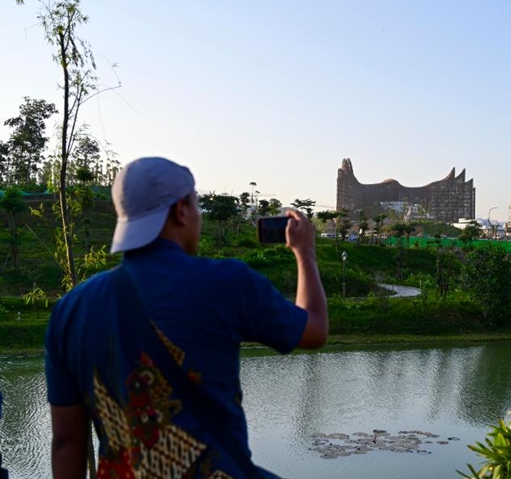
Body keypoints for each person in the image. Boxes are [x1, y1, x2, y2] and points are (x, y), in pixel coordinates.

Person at [45, 156, 328, 478]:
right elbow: (315, 330)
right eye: (196, 205)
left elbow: (67, 442)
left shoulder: (69, 309)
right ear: (181, 210)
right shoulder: (228, 282)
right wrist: (305, 253)